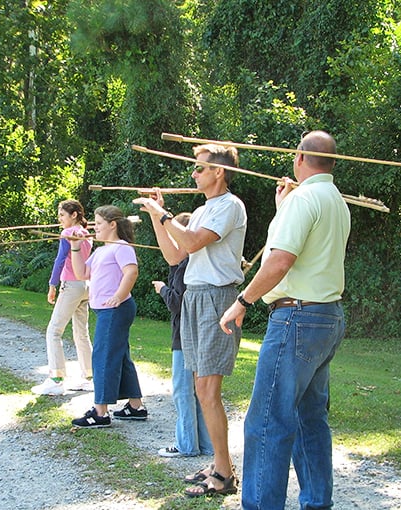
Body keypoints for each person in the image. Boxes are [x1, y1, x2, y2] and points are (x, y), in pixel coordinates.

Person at [219, 130, 350, 510]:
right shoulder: (335, 200)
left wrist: (242, 301)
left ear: (299, 157)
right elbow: (306, 251)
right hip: (326, 317)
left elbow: (280, 260)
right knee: (310, 419)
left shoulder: (305, 198)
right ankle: (316, 502)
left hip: (296, 317)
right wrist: (282, 209)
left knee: (265, 422)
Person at [134, 144, 247, 497]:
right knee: (201, 390)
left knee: (209, 391)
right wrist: (157, 216)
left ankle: (225, 475)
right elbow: (175, 254)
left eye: (200, 168)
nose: (194, 174)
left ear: (219, 172)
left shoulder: (230, 206)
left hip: (216, 299)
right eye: (195, 168)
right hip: (194, 297)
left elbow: (195, 242)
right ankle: (219, 463)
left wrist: (163, 215)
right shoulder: (202, 209)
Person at [68, 205, 147, 428]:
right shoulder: (102, 250)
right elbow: (81, 273)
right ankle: (135, 406)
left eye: (99, 224)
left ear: (113, 225)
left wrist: (118, 295)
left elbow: (131, 272)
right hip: (107, 309)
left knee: (102, 356)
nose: (95, 227)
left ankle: (100, 412)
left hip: (116, 309)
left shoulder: (121, 247)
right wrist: (75, 247)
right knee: (120, 355)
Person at [148, 211, 213, 458]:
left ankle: (186, 444)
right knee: (195, 392)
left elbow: (178, 303)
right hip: (190, 334)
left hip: (184, 337)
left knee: (183, 391)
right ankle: (203, 444)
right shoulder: (188, 265)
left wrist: (162, 289)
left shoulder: (186, 267)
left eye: (174, 236)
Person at [32, 200, 93, 396]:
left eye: (62, 215)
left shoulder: (68, 233)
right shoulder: (86, 233)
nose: (60, 219)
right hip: (86, 285)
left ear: (74, 214)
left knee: (54, 331)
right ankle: (89, 377)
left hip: (72, 285)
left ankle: (56, 379)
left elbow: (60, 260)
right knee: (81, 333)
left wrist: (52, 284)